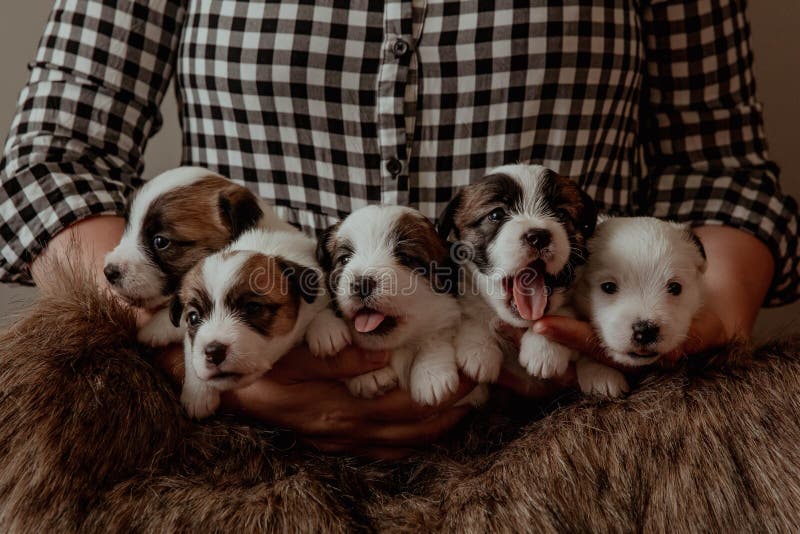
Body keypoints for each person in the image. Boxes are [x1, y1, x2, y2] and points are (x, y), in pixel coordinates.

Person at [0, 1, 797, 458]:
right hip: (225, 444)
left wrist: (697, 324)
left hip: (590, 436)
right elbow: (49, 163)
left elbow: (723, 174)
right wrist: (207, 346)